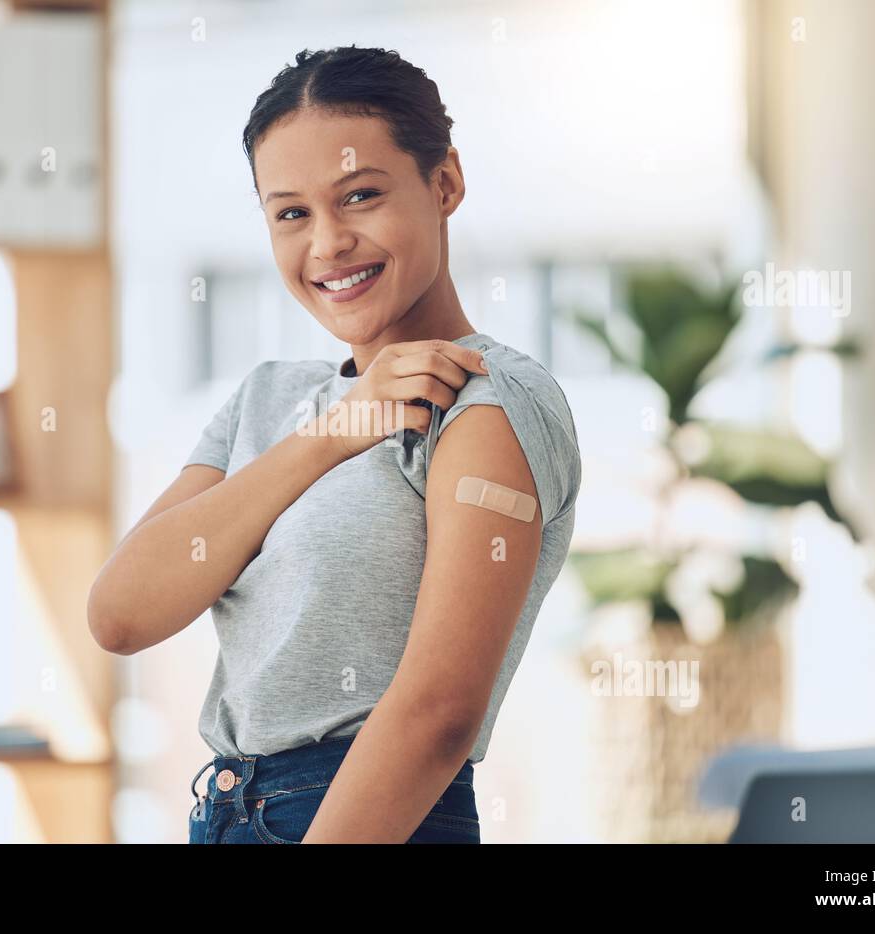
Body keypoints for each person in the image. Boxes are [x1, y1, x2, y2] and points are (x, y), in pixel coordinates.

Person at [88, 45, 581, 843]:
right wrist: (334, 432)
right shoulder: (266, 401)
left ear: (444, 182)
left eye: (360, 197)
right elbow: (120, 615)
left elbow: (438, 714)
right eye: (291, 213)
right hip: (225, 810)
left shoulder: (484, 401)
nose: (327, 244)